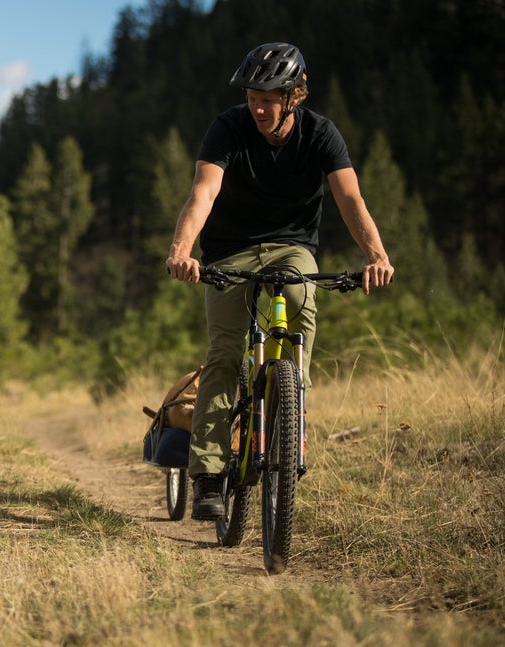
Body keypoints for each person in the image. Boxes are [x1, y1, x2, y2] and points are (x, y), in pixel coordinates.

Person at [165, 42, 394, 520]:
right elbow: (203, 192)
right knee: (225, 356)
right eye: (252, 97)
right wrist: (181, 250)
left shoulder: (321, 135)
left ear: (295, 95)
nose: (259, 107)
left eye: (269, 97)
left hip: (293, 248)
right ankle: (207, 473)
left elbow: (351, 199)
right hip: (228, 250)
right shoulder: (227, 129)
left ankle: (290, 415)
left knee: (297, 297)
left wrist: (376, 255)